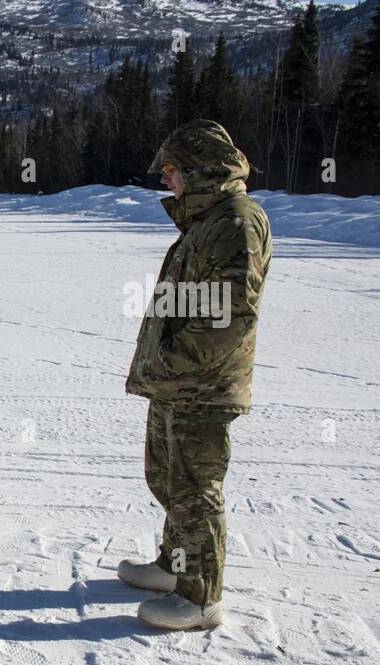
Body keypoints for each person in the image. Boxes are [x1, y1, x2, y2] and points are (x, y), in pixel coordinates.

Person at [119, 120, 273, 630]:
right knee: (167, 479)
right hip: (177, 381)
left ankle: (200, 598)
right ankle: (173, 566)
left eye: (171, 171)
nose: (166, 181)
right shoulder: (206, 219)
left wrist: (172, 362)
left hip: (201, 385)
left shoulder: (235, 221)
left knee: (194, 487)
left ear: (199, 169)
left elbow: (228, 315)